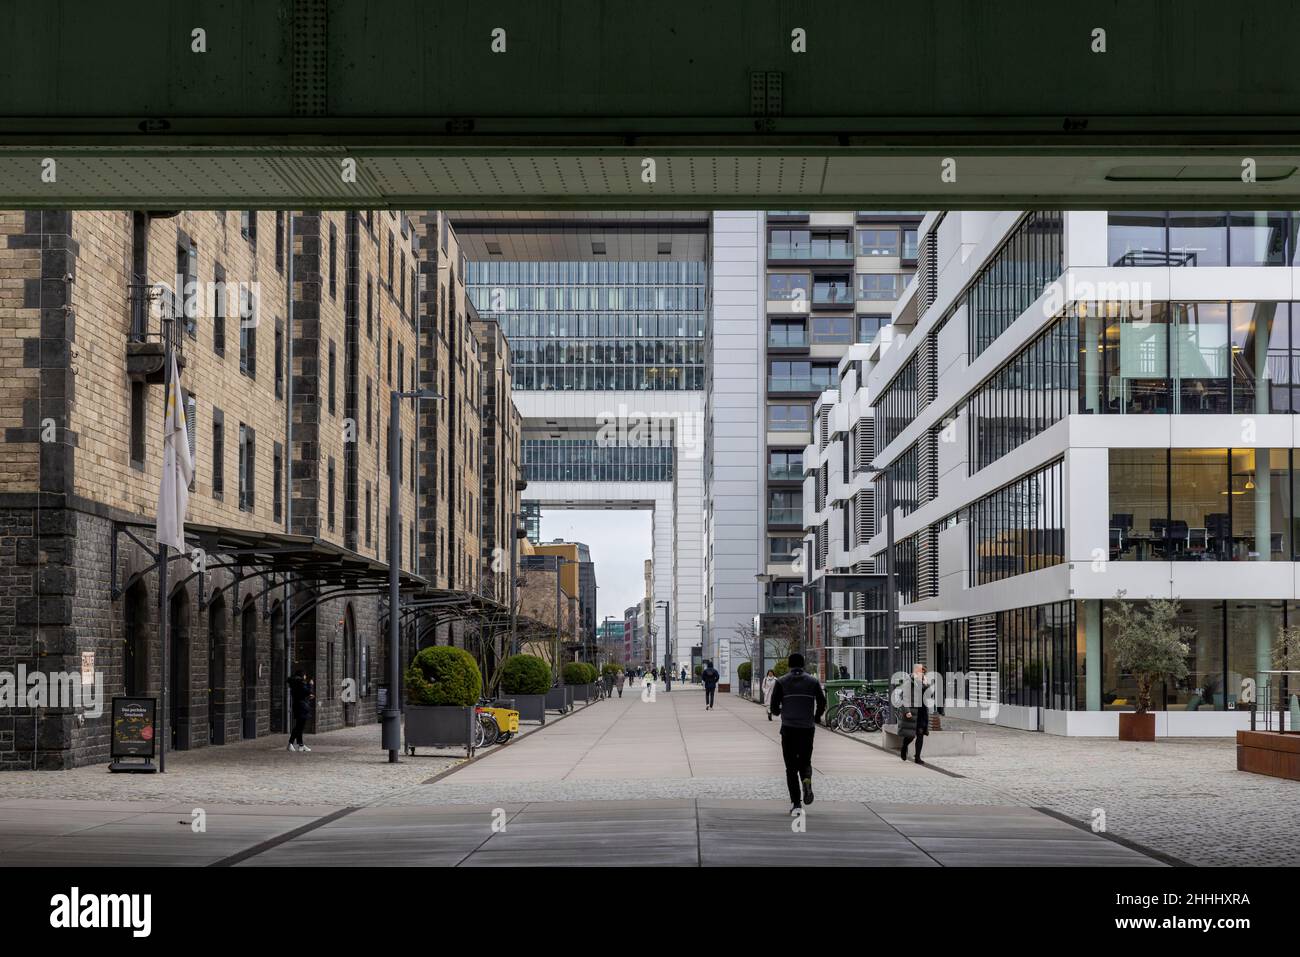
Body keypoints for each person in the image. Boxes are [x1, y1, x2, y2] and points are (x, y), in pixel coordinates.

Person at [768, 653, 826, 816]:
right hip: (807, 729)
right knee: (805, 761)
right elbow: (822, 702)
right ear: (803, 664)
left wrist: (779, 711)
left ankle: (796, 804)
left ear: (789, 665)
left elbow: (773, 707)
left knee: (791, 767)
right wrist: (816, 717)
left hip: (788, 729)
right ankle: (806, 779)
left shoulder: (781, 682)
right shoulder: (813, 682)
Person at [897, 663, 931, 764]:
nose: (922, 674)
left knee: (920, 734)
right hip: (912, 711)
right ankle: (904, 747)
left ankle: (918, 757)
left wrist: (927, 685)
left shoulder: (924, 683)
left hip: (922, 711)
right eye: (920, 672)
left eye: (923, 672)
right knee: (911, 736)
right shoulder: (909, 682)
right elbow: (904, 698)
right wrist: (907, 711)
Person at [287, 669, 315, 753]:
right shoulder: (300, 683)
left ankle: (301, 745)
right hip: (302, 707)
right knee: (299, 726)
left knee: (299, 726)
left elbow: (302, 694)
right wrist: (310, 685)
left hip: (299, 705)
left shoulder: (295, 683)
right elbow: (307, 691)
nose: (305, 677)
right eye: (305, 675)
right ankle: (291, 743)